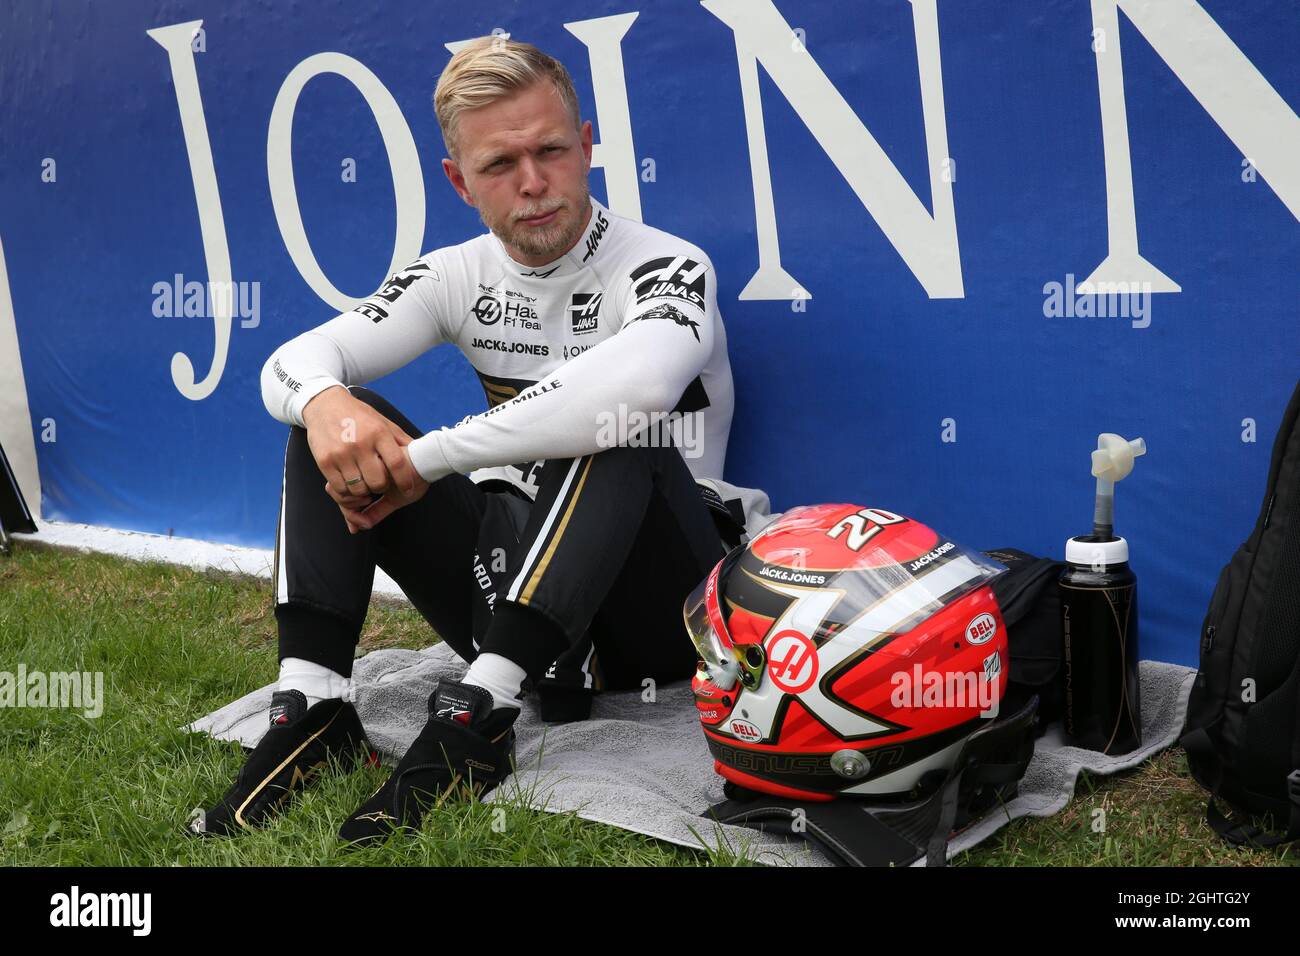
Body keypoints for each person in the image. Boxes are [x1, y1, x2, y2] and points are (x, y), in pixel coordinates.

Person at [189, 35, 770, 846]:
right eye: (500, 166)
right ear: (459, 181)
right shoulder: (457, 274)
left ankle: (477, 716)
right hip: (516, 599)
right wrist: (326, 407)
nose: (534, 185)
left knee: (613, 423)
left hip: (659, 620)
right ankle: (313, 707)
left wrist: (421, 461)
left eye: (552, 151)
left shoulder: (668, 265)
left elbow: (633, 390)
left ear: (588, 146)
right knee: (340, 414)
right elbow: (293, 361)